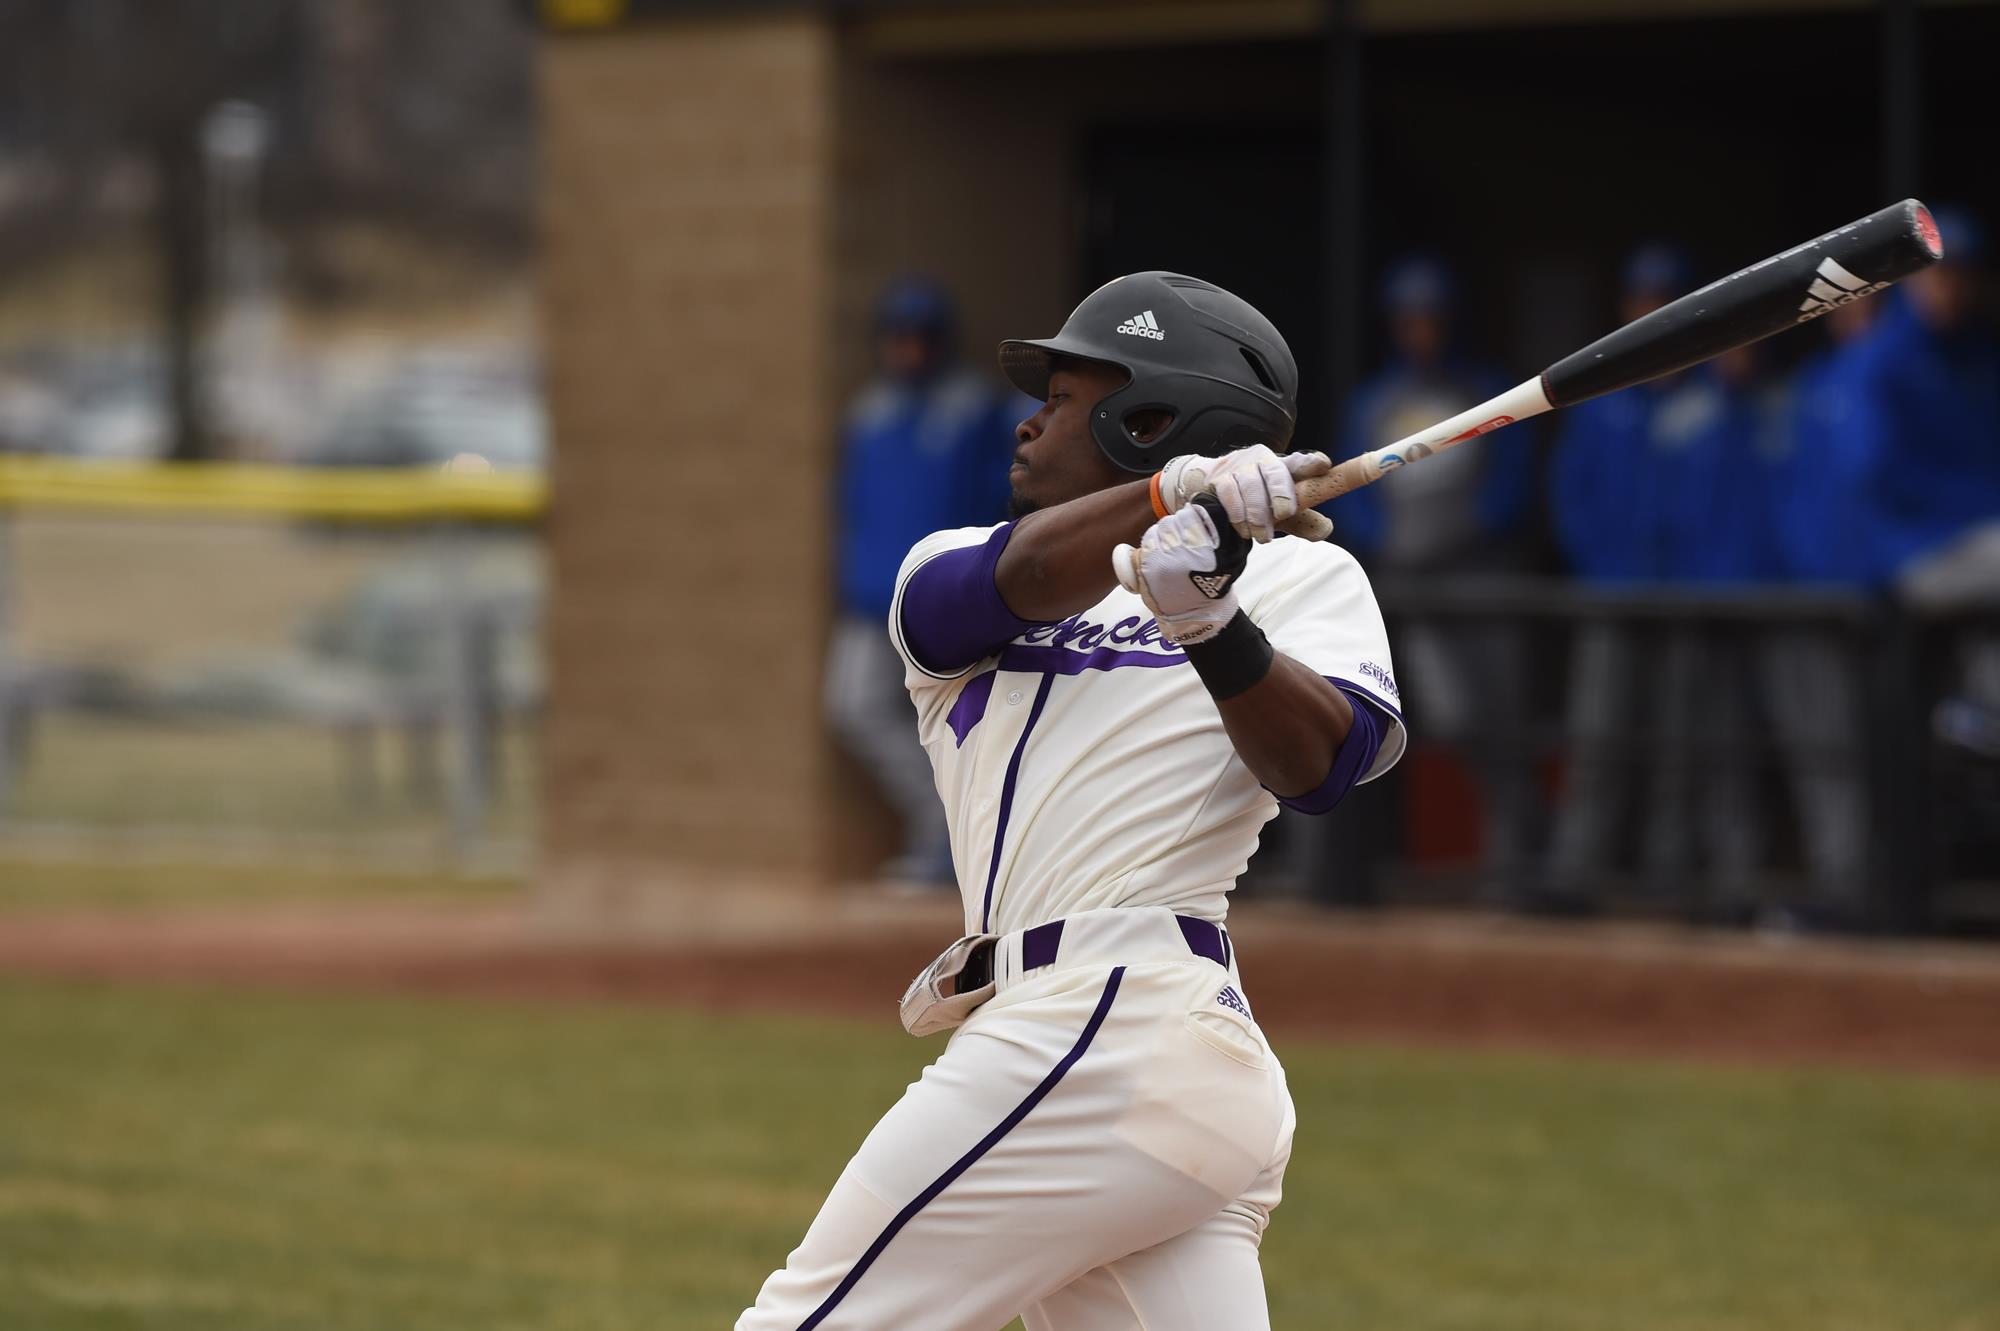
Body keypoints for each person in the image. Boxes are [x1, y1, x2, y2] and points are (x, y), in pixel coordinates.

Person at [740, 273, 1406, 1330]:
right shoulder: (956, 565)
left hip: (1119, 1020)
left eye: (1061, 395)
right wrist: (1162, 503)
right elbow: (994, 590)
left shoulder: (1301, 584)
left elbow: (1323, 765)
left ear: (1147, 418)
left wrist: (1211, 625)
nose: (1027, 418)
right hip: (1099, 1055)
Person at [1332, 255, 1539, 895]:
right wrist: (1392, 546)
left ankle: (1514, 871)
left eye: (1431, 317)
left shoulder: (1488, 389)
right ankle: (1352, 878)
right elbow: (1351, 493)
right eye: (1408, 318)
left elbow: (1511, 484)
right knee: (1378, 721)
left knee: (1491, 727)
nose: (1420, 329)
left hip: (1475, 580)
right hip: (1401, 586)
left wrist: (1455, 539)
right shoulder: (1373, 401)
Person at [826, 277, 1025, 885]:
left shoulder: (978, 407)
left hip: (945, 597)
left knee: (967, 720)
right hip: (871, 598)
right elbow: (856, 505)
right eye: (897, 337)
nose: (906, 349)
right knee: (852, 706)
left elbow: (1012, 490)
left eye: (919, 338)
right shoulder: (869, 412)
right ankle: (941, 832)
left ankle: (957, 848)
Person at [1542, 244, 1691, 910]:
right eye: (1642, 298)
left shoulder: (1710, 396)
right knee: (1598, 739)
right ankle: (1576, 875)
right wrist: (1604, 568)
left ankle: (1670, 881)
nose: (1651, 310)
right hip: (1612, 593)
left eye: (1663, 298)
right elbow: (1568, 497)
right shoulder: (1600, 399)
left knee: (1679, 747)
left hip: (1690, 603)